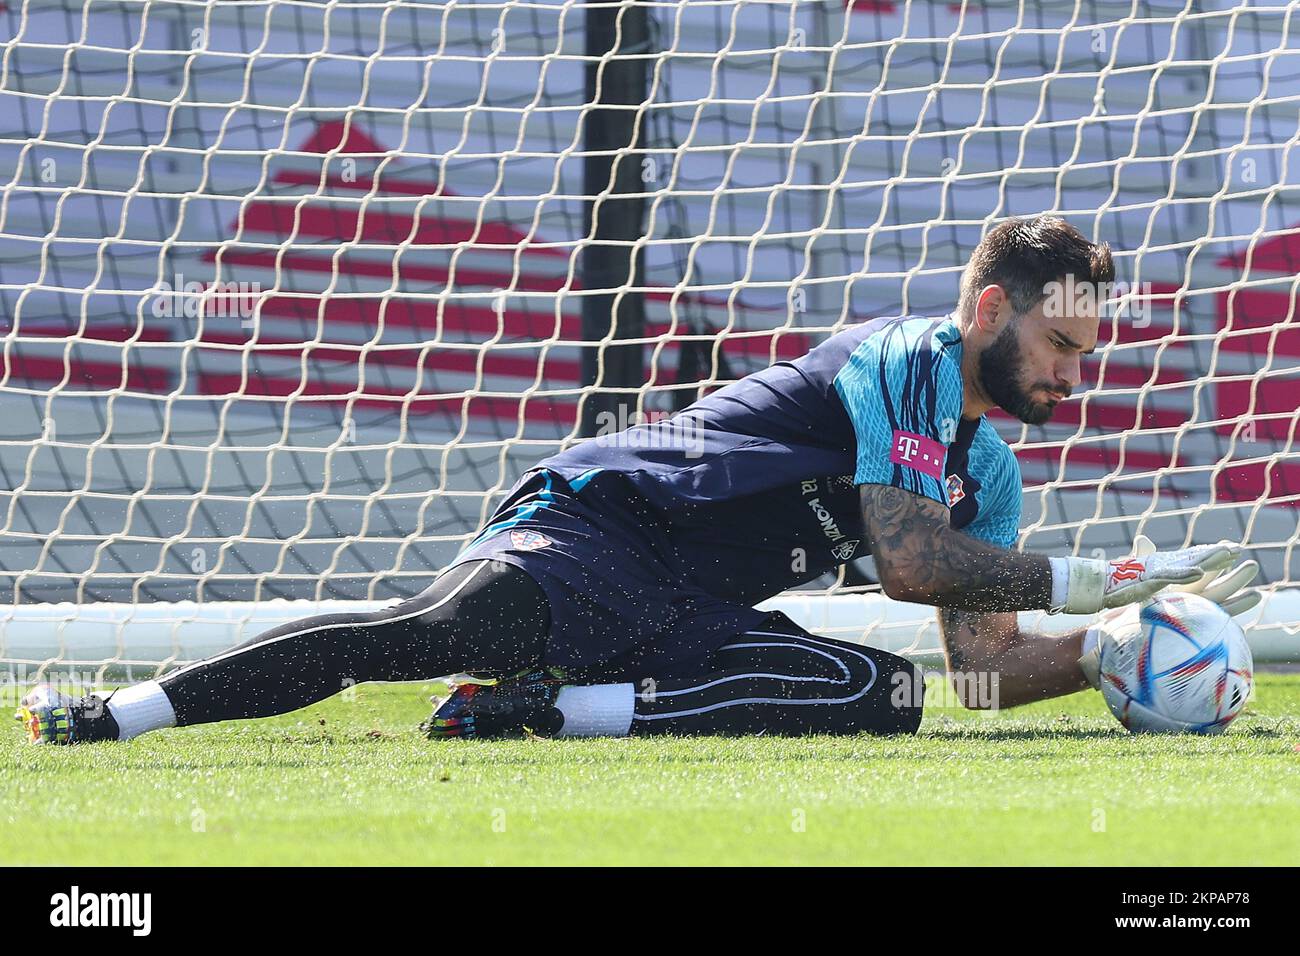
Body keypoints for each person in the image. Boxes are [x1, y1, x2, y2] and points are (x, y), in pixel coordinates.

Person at [16, 215, 1257, 745]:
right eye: (1057, 347)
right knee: (432, 632)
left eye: (1084, 357)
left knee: (880, 693)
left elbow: (976, 667)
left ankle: (532, 712)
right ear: (991, 308)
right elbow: (905, 561)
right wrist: (1095, 579)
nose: (1071, 378)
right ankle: (119, 714)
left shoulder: (990, 471)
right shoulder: (900, 358)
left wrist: (1095, 649)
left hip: (695, 607)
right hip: (615, 523)